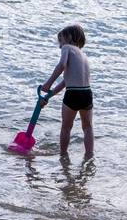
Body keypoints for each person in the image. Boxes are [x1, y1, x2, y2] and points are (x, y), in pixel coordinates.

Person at [40, 24, 94, 158]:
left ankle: (63, 155)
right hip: (87, 93)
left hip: (73, 94)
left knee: (66, 127)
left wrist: (48, 83)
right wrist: (49, 95)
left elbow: (61, 66)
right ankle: (89, 155)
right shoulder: (83, 56)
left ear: (69, 37)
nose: (60, 46)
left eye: (61, 41)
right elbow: (66, 82)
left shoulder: (67, 48)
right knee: (87, 127)